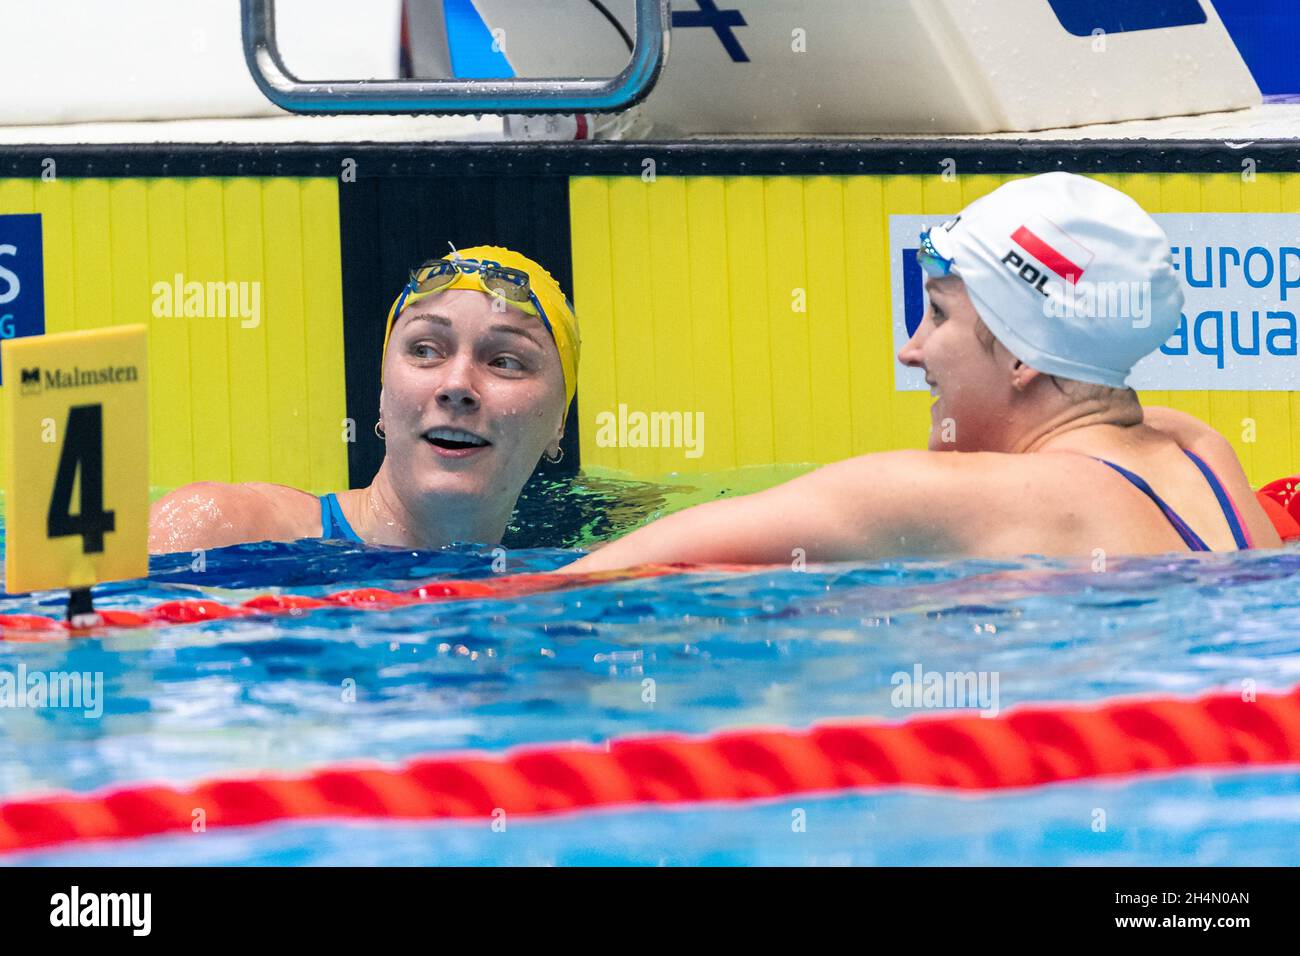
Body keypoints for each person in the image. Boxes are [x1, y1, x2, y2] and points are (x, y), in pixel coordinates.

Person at [562, 172, 1281, 573]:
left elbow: (580, 584)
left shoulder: (945, 495)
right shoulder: (1197, 448)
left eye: (937, 314)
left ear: (1024, 354)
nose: (912, 350)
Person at [148, 245, 580, 552]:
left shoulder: (566, 582)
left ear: (560, 419)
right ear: (382, 397)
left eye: (505, 361)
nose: (456, 385)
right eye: (425, 350)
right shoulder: (223, 529)